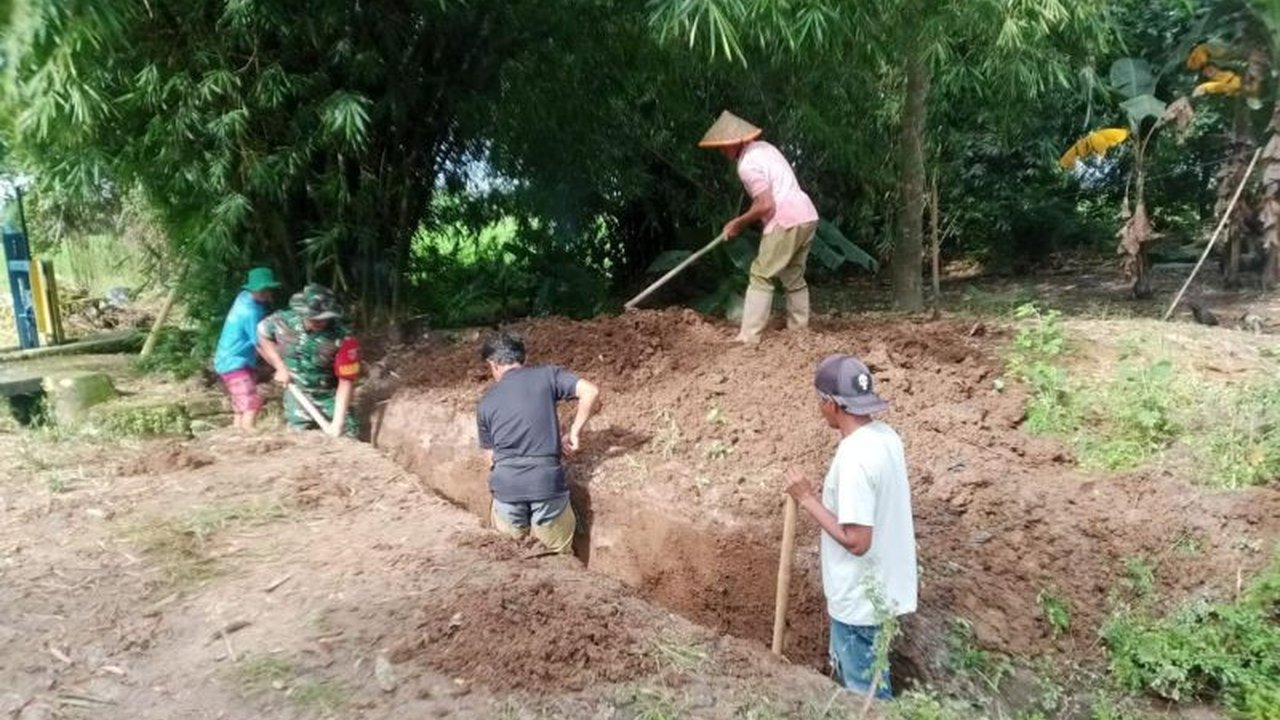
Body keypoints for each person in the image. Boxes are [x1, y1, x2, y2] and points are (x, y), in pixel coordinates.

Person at [784, 354, 917, 698]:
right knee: (870, 683)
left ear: (831, 404)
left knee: (866, 699)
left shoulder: (855, 458)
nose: (819, 408)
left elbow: (857, 541)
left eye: (819, 401)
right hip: (882, 592)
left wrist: (807, 499)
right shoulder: (886, 437)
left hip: (860, 605)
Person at [699, 110, 820, 345]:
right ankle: (799, 330)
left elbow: (765, 203)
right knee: (793, 274)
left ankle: (749, 336)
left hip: (785, 219)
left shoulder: (746, 164)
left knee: (760, 273)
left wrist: (738, 222)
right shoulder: (766, 148)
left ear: (737, 141)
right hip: (806, 214)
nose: (722, 152)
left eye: (724, 146)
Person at [476, 333, 601, 555]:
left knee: (510, 558)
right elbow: (590, 391)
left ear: (493, 364)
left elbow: (490, 459)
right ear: (523, 358)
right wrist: (574, 432)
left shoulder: (486, 402)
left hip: (507, 487)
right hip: (545, 483)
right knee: (555, 563)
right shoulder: (547, 375)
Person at [257, 284, 358, 437]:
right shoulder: (283, 321)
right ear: (302, 312)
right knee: (300, 443)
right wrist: (280, 367)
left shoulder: (344, 339)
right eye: (314, 318)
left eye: (324, 318)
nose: (319, 322)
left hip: (328, 397)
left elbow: (346, 382)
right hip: (296, 395)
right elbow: (262, 335)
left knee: (349, 434)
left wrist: (338, 424)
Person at [212, 267, 281, 431]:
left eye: (268, 291)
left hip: (232, 361)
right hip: (234, 362)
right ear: (253, 289)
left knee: (240, 402)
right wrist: (278, 366)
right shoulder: (250, 311)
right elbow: (260, 343)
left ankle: (237, 432)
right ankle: (250, 432)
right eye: (262, 291)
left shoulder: (243, 299)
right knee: (250, 401)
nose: (266, 295)